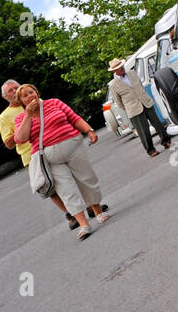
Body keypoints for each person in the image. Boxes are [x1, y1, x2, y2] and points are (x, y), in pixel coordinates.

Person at [13, 84, 110, 241]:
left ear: (37, 92)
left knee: (87, 180)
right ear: (21, 101)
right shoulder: (21, 118)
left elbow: (74, 118)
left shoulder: (54, 103)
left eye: (31, 92)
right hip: (50, 159)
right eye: (25, 95)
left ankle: (98, 212)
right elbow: (21, 138)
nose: (29, 96)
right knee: (66, 190)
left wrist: (89, 130)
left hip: (73, 147)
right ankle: (83, 224)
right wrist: (28, 115)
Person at [0, 79, 84, 230]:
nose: (14, 91)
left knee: (70, 178)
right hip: (31, 154)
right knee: (49, 185)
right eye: (10, 91)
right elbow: (9, 143)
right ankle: (69, 214)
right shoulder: (4, 117)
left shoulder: (37, 100)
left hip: (54, 144)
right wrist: (23, 125)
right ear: (5, 97)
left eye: (16, 88)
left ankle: (87, 206)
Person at [107, 58, 172, 158]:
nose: (122, 69)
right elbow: (118, 102)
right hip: (133, 109)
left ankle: (166, 141)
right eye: (119, 68)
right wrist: (128, 108)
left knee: (157, 123)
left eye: (122, 66)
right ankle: (151, 150)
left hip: (145, 101)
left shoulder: (132, 73)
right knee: (143, 131)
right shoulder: (113, 85)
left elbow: (140, 86)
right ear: (115, 71)